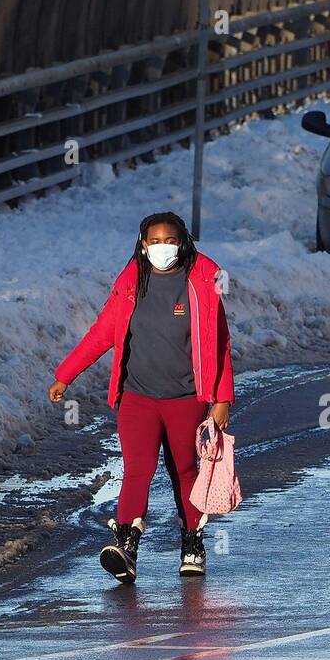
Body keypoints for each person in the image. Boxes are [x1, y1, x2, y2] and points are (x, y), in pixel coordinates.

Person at [49, 212, 233, 583]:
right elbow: (102, 333)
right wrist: (64, 375)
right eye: (154, 241)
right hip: (137, 397)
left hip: (186, 397)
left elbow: (221, 343)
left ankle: (192, 541)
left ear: (183, 242)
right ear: (143, 243)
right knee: (137, 470)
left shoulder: (201, 284)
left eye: (169, 240)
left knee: (184, 470)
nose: (162, 248)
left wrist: (222, 398)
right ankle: (126, 546)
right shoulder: (132, 282)